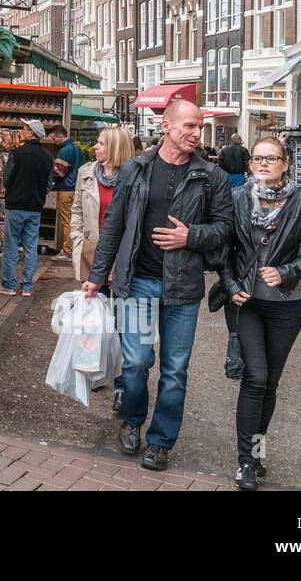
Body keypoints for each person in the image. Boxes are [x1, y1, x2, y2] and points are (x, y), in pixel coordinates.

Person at [83, 100, 233, 471]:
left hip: (182, 291)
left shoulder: (211, 177)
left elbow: (225, 228)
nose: (196, 133)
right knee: (134, 363)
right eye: (189, 126)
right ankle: (133, 421)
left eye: (200, 126)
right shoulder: (136, 169)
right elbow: (114, 226)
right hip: (137, 284)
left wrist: (190, 237)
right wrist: (96, 276)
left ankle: (160, 441)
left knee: (175, 369)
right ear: (165, 126)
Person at [220, 137, 301, 490]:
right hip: (246, 303)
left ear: (285, 164)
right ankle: (246, 462)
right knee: (256, 378)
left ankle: (257, 450)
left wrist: (288, 271)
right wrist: (232, 286)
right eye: (258, 158)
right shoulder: (235, 199)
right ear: (250, 165)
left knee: (271, 383)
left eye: (272, 158)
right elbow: (224, 251)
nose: (264, 163)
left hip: (286, 306)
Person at [70, 126, 137, 413]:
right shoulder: (87, 172)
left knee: (123, 323)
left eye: (101, 143)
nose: (95, 147)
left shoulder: (134, 176)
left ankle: (121, 385)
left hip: (123, 257)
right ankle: (94, 371)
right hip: (91, 251)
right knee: (93, 319)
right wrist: (77, 239)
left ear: (116, 147)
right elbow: (76, 209)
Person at [0, 119, 54, 298]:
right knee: (31, 246)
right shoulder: (48, 157)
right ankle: (27, 286)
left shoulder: (17, 153)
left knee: (11, 246)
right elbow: (48, 185)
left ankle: (9, 285)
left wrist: (14, 189)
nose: (21, 131)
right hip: (35, 207)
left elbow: (6, 179)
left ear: (31, 133)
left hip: (16, 204)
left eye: (24, 129)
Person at [49, 125, 83, 261]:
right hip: (76, 188)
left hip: (66, 189)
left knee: (67, 221)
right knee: (74, 220)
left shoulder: (64, 150)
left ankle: (67, 251)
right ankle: (72, 249)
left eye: (53, 139)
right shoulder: (76, 148)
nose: (53, 141)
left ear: (59, 136)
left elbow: (59, 172)